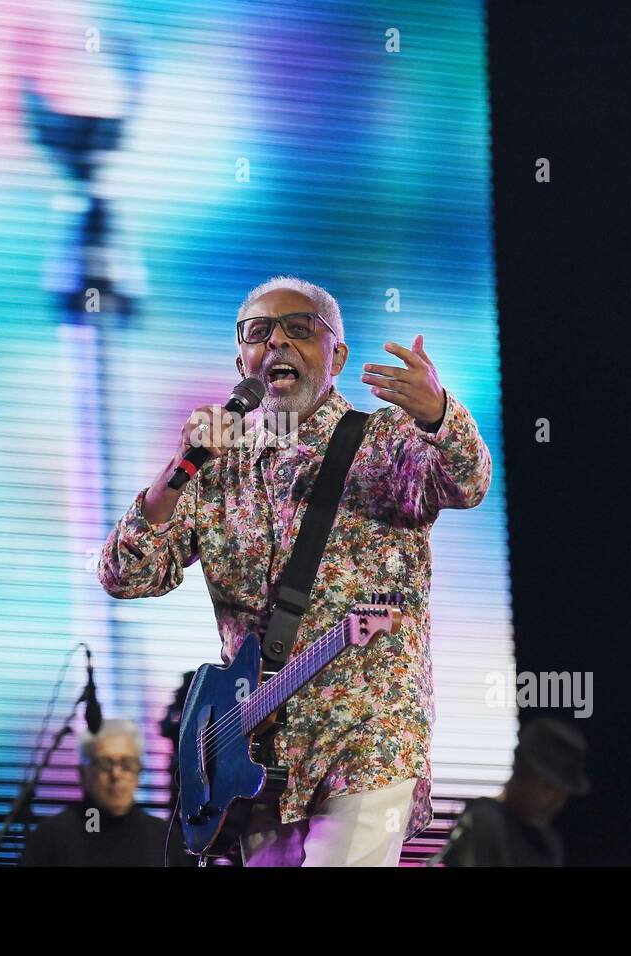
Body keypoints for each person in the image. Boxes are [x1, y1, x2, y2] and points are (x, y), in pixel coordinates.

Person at [99, 275, 492, 866]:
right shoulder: (215, 470)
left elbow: (466, 482)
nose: (277, 342)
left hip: (366, 735)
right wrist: (176, 472)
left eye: (299, 329)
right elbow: (124, 575)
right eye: (259, 333)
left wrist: (438, 413)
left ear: (336, 356)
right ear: (241, 359)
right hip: (255, 754)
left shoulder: (382, 443)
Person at [20, 718, 191, 866]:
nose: (116, 774)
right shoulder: (51, 838)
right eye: (104, 763)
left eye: (127, 763)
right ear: (83, 773)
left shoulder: (165, 839)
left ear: (139, 771)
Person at [442, 717, 589, 867]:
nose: (556, 802)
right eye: (548, 787)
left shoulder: (547, 843)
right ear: (521, 773)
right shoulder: (485, 821)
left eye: (563, 793)